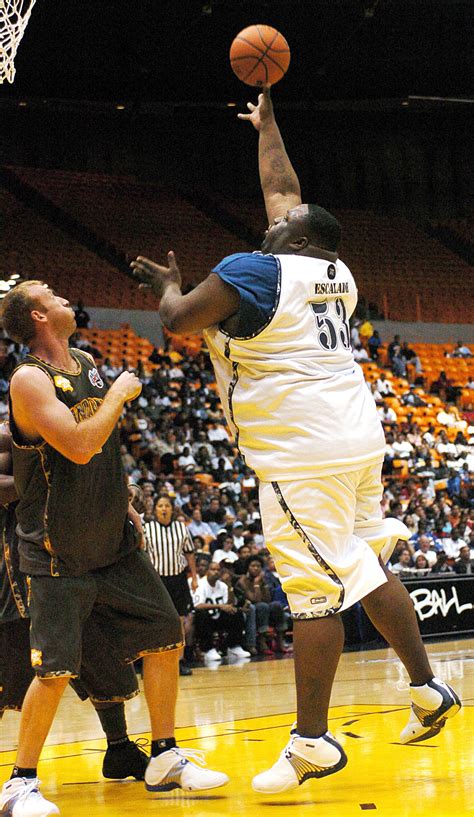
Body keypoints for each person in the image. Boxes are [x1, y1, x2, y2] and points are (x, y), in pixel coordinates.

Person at [131, 86, 460, 794]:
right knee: (365, 564)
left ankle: (312, 741)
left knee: (313, 593)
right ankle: (429, 687)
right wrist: (268, 123)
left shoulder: (257, 269)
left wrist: (169, 286)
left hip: (298, 452)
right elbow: (285, 188)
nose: (270, 222)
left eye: (283, 224)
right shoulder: (335, 271)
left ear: (300, 238)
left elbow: (181, 321)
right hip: (355, 436)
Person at [0, 281, 228, 816]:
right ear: (38, 315)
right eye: (53, 296)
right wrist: (120, 396)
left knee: (167, 638)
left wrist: (123, 501)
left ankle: (166, 756)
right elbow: (80, 445)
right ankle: (19, 785)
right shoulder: (30, 381)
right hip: (59, 550)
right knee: (54, 670)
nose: (63, 298)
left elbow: (102, 453)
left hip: (113, 543)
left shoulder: (85, 360)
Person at [0, 423, 149, 782]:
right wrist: (56, 483)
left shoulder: (64, 427)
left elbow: (96, 470)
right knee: (11, 663)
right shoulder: (8, 435)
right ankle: (25, 774)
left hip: (71, 559)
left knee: (98, 652)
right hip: (20, 564)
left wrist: (122, 492)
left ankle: (119, 747)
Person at [144, 495, 198, 676]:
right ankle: (152, 662)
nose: (164, 509)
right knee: (155, 621)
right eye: (160, 506)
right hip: (157, 581)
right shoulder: (147, 528)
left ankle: (179, 661)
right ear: (155, 509)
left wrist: (195, 577)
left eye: (167, 505)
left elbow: (190, 553)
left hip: (178, 580)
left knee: (180, 621)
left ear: (172, 509)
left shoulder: (181, 528)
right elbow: (142, 556)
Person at [191, 561, 250, 662]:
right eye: (213, 569)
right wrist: (219, 606)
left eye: (218, 570)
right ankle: (208, 649)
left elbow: (229, 604)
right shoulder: (201, 584)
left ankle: (233, 646)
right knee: (201, 614)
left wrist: (229, 586)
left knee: (236, 613)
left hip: (218, 617)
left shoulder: (223, 585)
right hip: (205, 620)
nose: (216, 572)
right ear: (207, 572)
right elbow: (198, 606)